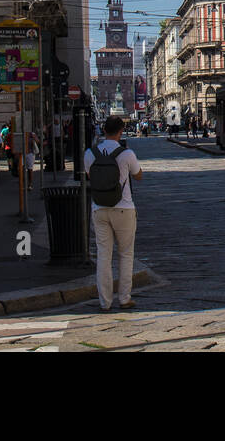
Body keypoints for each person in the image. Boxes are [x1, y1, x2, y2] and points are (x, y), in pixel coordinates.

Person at [83, 117, 144, 310]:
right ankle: (124, 298)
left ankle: (104, 302)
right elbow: (139, 176)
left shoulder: (89, 153)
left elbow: (89, 176)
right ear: (121, 131)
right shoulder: (126, 154)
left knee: (103, 256)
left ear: (103, 130)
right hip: (123, 207)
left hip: (99, 208)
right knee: (126, 254)